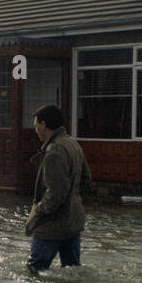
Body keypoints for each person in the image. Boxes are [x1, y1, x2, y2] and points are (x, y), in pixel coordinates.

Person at [25, 104, 92, 271]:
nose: (35, 130)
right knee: (72, 270)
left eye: (36, 126)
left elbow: (55, 194)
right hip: (73, 221)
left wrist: (39, 211)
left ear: (44, 124)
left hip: (52, 226)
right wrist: (74, 201)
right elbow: (86, 180)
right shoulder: (73, 144)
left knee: (34, 271)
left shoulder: (54, 151)